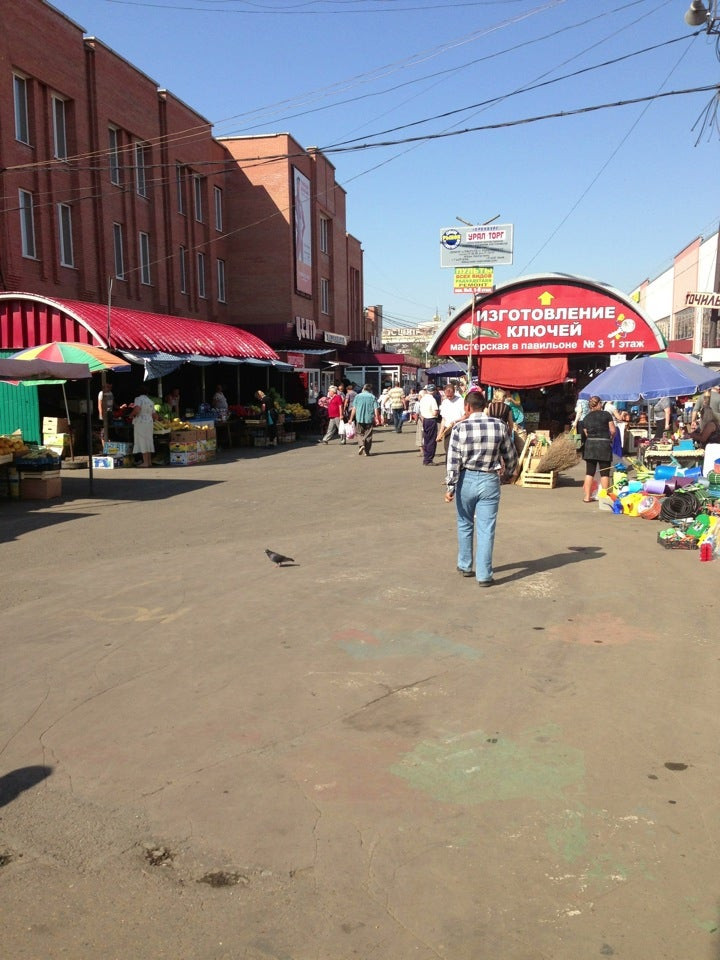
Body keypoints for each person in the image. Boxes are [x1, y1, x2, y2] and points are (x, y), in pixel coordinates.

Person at [444, 390, 518, 587]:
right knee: (486, 529)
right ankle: (484, 575)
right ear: (484, 407)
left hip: (466, 479)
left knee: (464, 523)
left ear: (467, 407)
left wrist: (450, 487)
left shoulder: (460, 428)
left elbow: (453, 461)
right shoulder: (499, 426)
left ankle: (465, 565)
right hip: (489, 480)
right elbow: (511, 455)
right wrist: (509, 474)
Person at [581, 395, 616, 502]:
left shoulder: (586, 418)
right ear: (599, 404)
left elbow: (586, 433)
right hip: (604, 445)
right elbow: (613, 430)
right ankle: (604, 498)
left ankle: (587, 497)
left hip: (590, 445)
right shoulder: (606, 414)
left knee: (589, 472)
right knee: (604, 473)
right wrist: (611, 438)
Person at [348, 383, 378, 456]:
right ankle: (367, 452)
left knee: (359, 433)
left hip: (359, 418)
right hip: (369, 418)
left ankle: (361, 444)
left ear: (363, 388)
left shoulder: (358, 396)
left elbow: (354, 408)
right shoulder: (372, 397)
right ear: (370, 390)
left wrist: (351, 418)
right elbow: (375, 408)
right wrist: (377, 418)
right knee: (368, 435)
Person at [131, 391, 158, 468]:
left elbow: (137, 410)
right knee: (148, 441)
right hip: (149, 423)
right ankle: (149, 462)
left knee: (142, 441)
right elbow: (155, 415)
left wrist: (131, 415)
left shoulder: (138, 399)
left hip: (141, 423)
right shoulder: (150, 401)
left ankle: (145, 463)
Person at [438, 383, 466, 455]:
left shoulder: (461, 401)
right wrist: (440, 433)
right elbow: (444, 419)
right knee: (447, 449)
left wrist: (456, 421)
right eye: (447, 396)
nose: (449, 397)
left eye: (450, 396)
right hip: (448, 429)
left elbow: (465, 416)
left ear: (454, 392)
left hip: (459, 428)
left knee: (458, 450)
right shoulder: (444, 402)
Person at [419, 382, 439, 465]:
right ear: (434, 391)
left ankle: (426, 457)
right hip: (431, 419)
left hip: (424, 419)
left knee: (426, 439)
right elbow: (435, 412)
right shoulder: (432, 399)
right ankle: (428, 459)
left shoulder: (423, 398)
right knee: (431, 440)